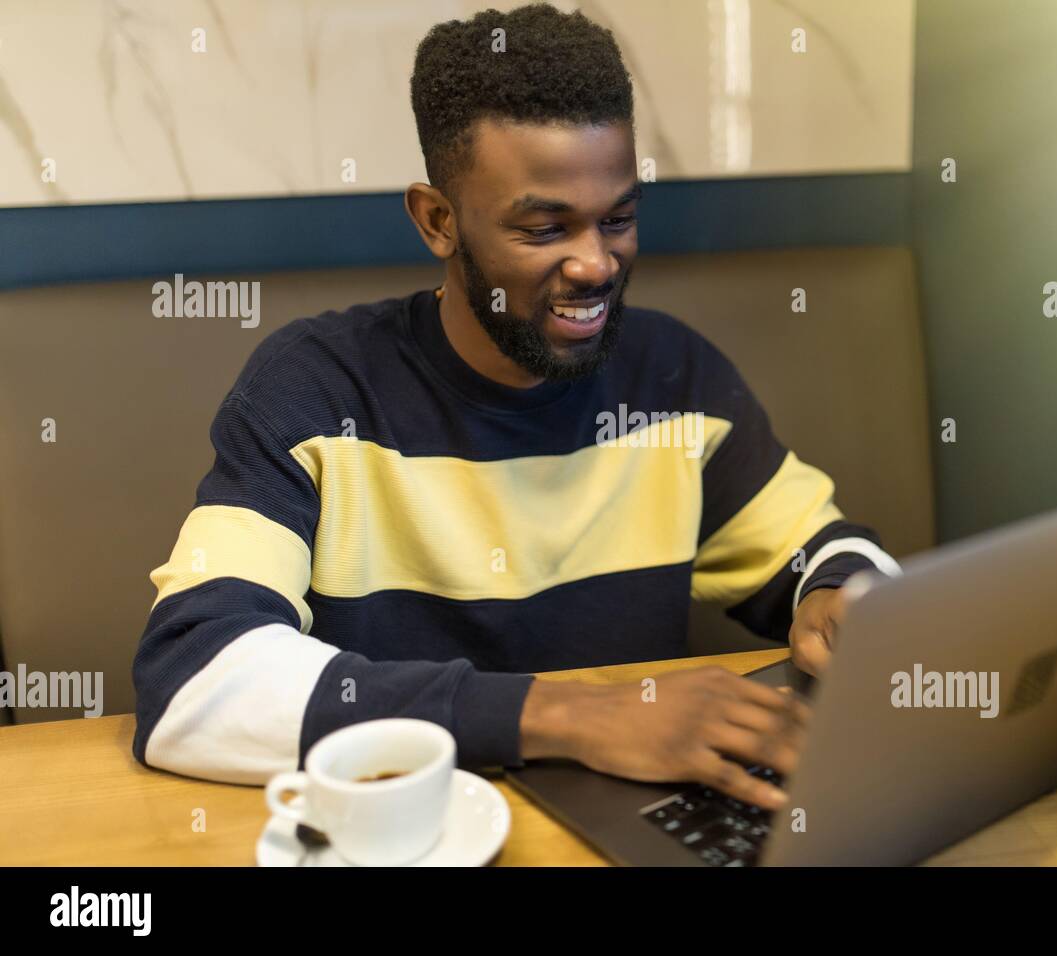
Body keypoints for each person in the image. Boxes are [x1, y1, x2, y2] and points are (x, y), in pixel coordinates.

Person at [131, 2, 900, 811]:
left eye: (620, 218)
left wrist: (835, 594)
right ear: (438, 220)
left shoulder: (674, 379)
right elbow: (191, 682)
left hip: (634, 828)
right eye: (544, 229)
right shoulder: (314, 391)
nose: (595, 265)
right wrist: (566, 715)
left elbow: (829, 550)